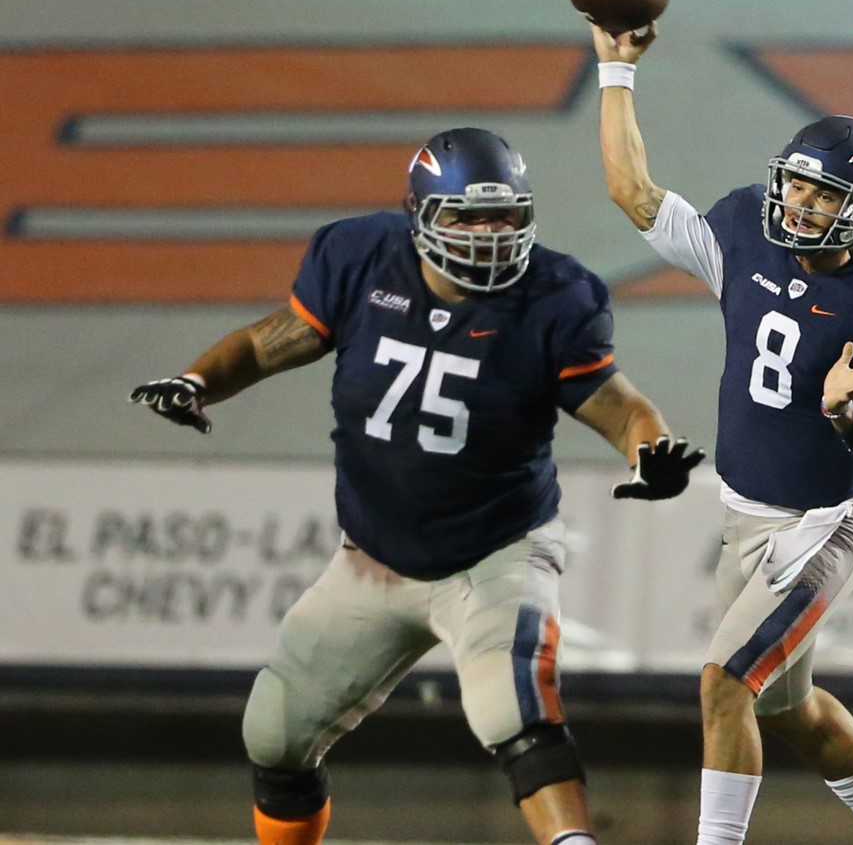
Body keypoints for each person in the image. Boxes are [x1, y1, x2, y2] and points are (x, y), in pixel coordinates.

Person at [130, 127, 705, 845]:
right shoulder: (361, 256)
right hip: (373, 556)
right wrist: (199, 381)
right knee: (275, 733)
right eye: (468, 216)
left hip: (496, 550)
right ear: (419, 213)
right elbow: (273, 337)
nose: (490, 234)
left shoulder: (557, 294)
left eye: (505, 216)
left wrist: (648, 453)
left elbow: (617, 403)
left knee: (513, 711)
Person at [592, 23, 853, 845]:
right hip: (743, 516)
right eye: (796, 186)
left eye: (825, 196)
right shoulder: (745, 231)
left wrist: (846, 413)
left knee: (725, 682)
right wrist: (617, 68)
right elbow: (632, 189)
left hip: (820, 525)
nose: (800, 204)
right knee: (787, 705)